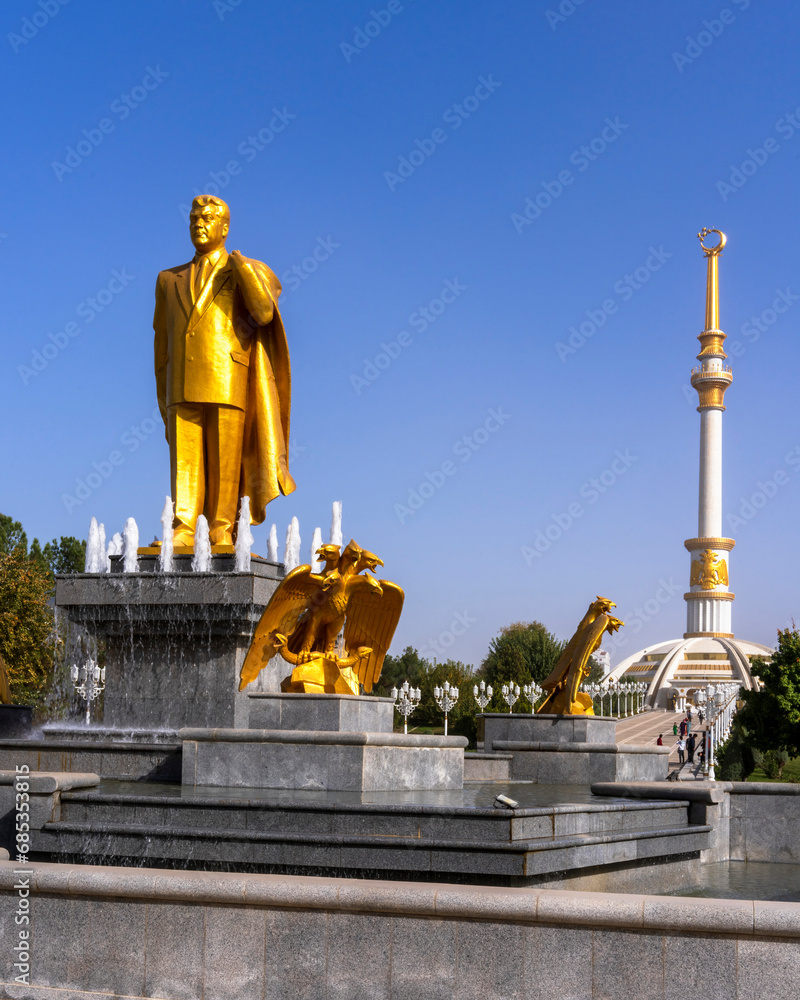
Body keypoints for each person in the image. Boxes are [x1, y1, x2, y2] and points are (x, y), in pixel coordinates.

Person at [154, 195, 296, 547]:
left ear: (225, 228)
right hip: (180, 383)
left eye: (206, 218)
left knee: (225, 461)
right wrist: (163, 392)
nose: (198, 224)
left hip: (227, 379)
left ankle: (221, 527)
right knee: (184, 463)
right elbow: (162, 340)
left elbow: (264, 313)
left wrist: (243, 269)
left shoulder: (244, 270)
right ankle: (184, 527)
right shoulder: (168, 279)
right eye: (193, 219)